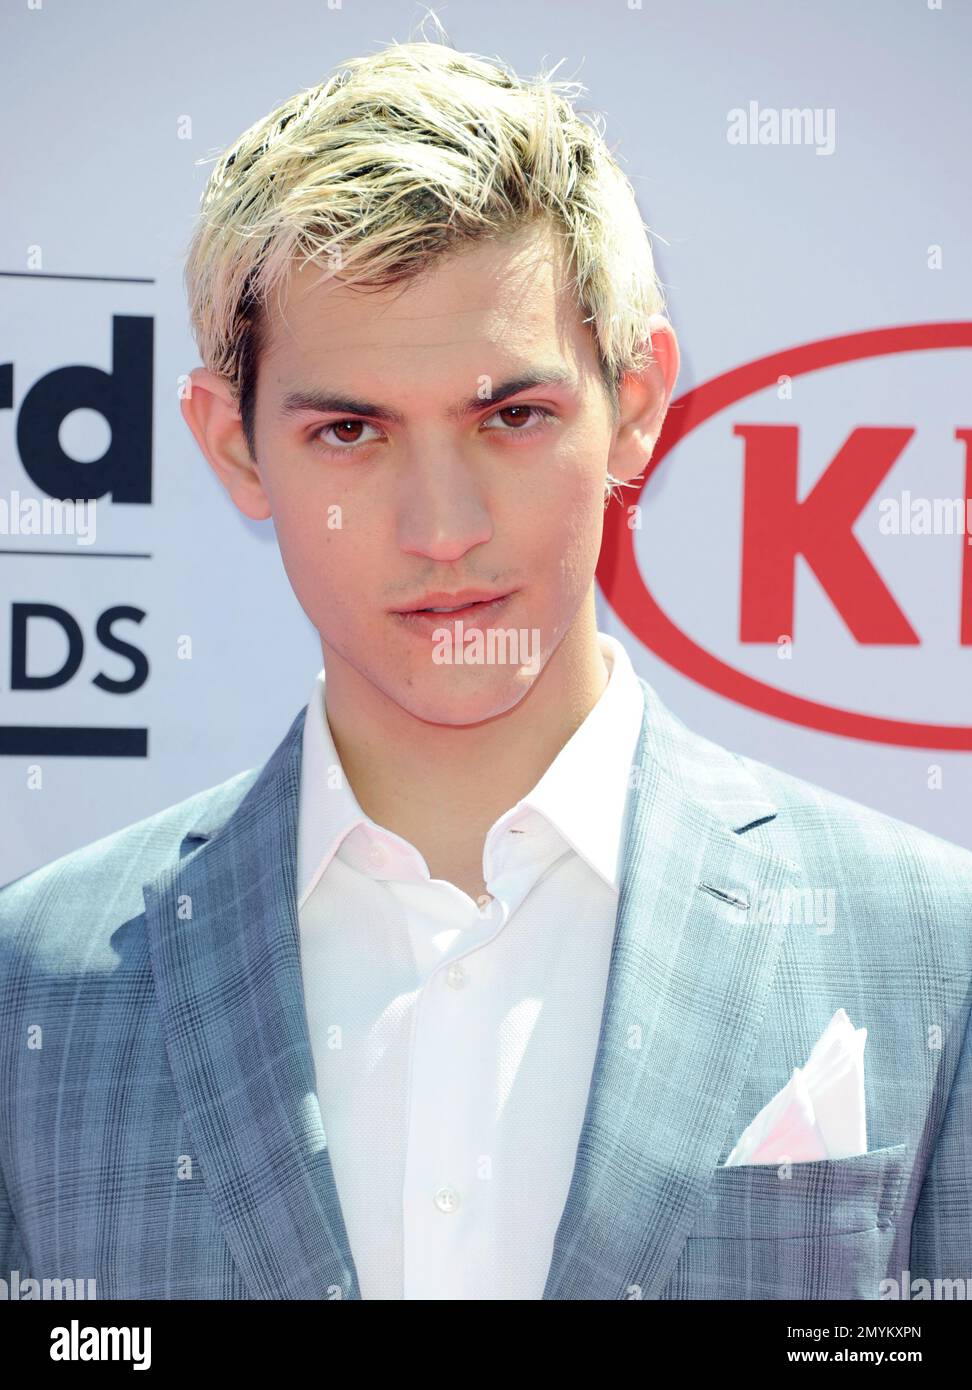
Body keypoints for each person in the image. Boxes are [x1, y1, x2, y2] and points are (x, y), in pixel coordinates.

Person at [1, 34, 970, 1303]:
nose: (441, 525)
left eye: (512, 417)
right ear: (233, 446)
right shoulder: (36, 987)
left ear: (636, 403)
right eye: (350, 431)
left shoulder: (930, 949)